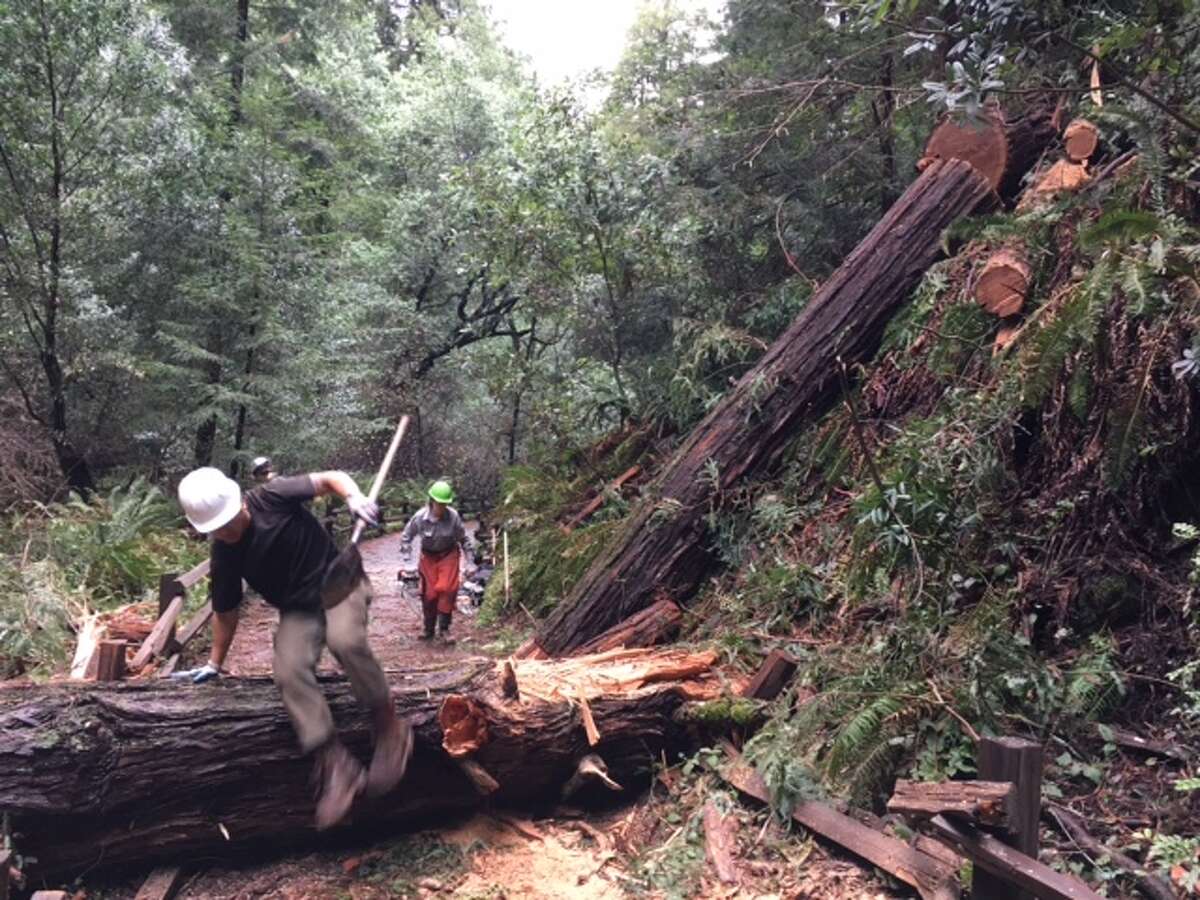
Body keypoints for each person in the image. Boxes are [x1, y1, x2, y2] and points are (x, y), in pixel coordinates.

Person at [173, 466, 413, 830]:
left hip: (340, 584)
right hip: (299, 610)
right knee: (288, 670)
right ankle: (335, 764)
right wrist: (214, 663)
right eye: (215, 529)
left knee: (345, 641)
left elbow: (331, 478)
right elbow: (225, 611)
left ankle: (388, 726)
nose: (225, 532)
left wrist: (353, 497)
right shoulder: (225, 554)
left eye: (227, 521)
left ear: (239, 503)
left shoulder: (274, 495)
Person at [399, 480, 474, 644]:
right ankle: (428, 629)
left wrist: (470, 562)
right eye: (439, 503)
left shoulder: (453, 517)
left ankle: (445, 629)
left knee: (447, 589)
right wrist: (408, 563)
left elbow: (464, 540)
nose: (442, 507)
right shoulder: (419, 518)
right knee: (429, 595)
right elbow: (406, 538)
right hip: (428, 557)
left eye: (445, 504)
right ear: (431, 501)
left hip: (448, 555)